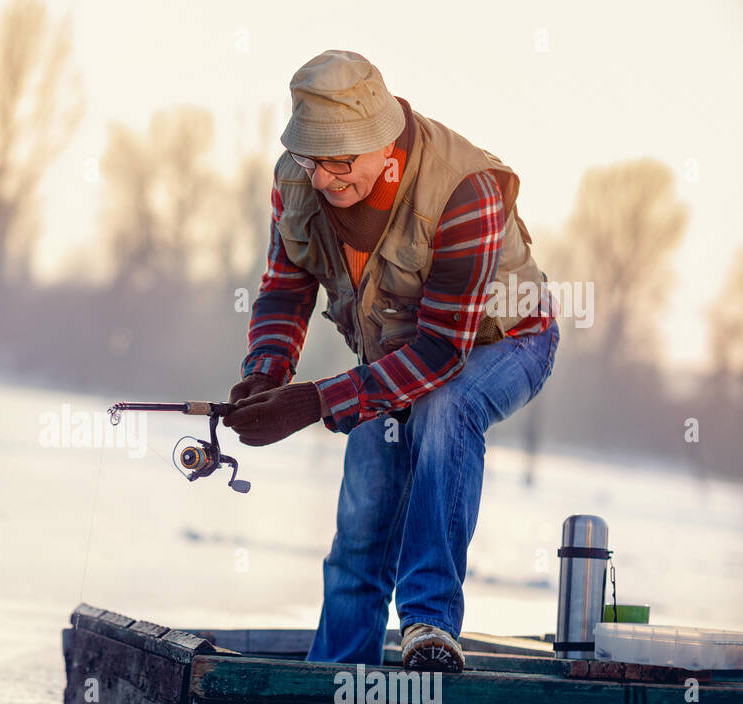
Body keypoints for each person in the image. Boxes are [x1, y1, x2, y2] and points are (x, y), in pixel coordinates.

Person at [223, 50, 560, 672]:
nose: (321, 179)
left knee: (444, 406)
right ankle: (336, 673)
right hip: (400, 358)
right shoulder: (295, 181)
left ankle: (430, 627)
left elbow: (441, 353)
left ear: (386, 146)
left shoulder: (465, 189)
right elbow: (284, 286)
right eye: (308, 158)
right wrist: (266, 373)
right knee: (363, 518)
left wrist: (316, 402)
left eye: (339, 162)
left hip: (506, 340)